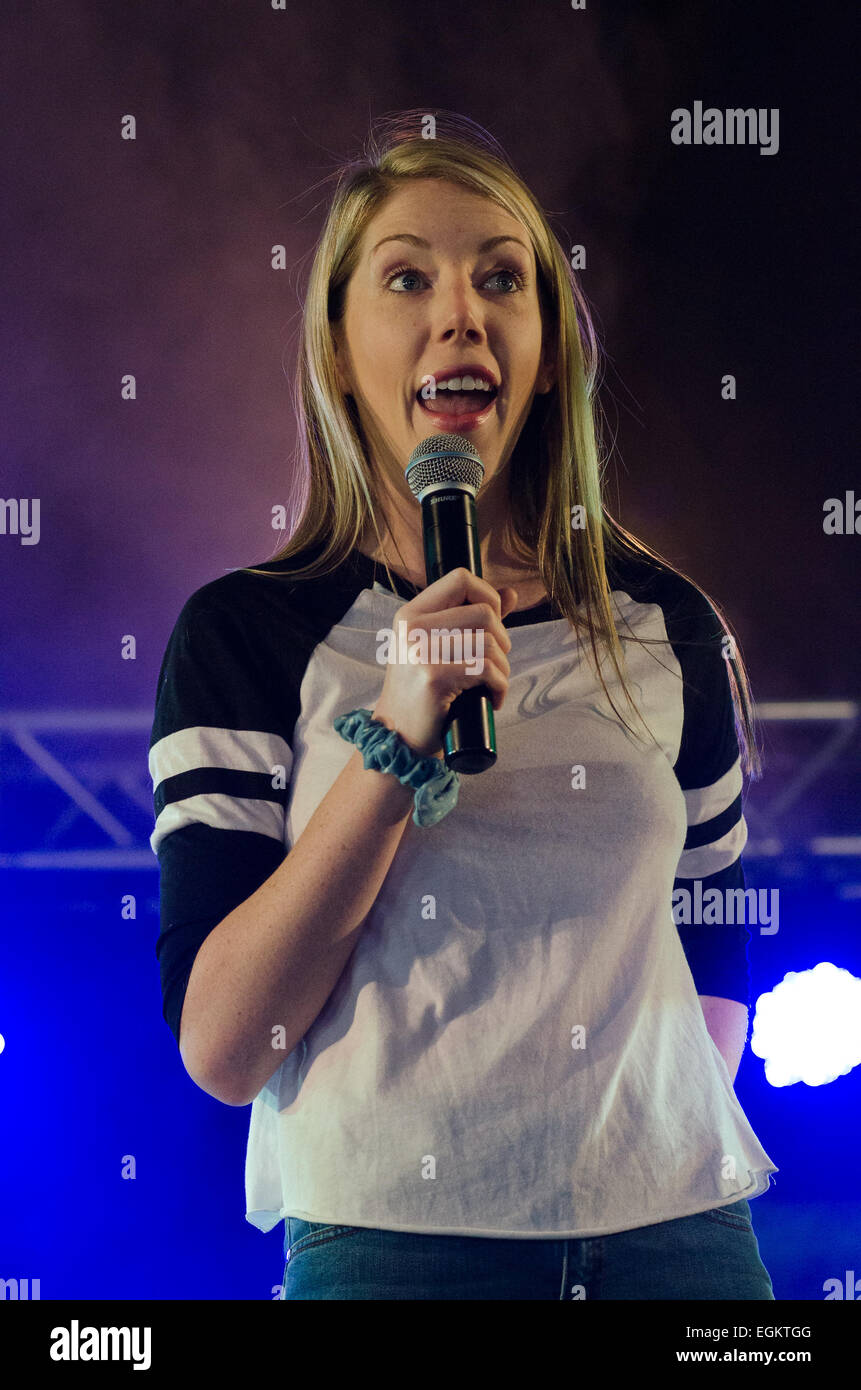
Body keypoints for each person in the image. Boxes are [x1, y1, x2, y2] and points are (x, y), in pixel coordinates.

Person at [149, 111, 778, 1300]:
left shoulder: (667, 622)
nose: (461, 312)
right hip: (394, 1248)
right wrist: (395, 742)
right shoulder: (245, 633)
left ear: (546, 351)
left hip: (679, 1245)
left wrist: (619, 1154)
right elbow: (226, 1048)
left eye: (502, 278)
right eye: (407, 278)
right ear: (340, 351)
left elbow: (715, 940)